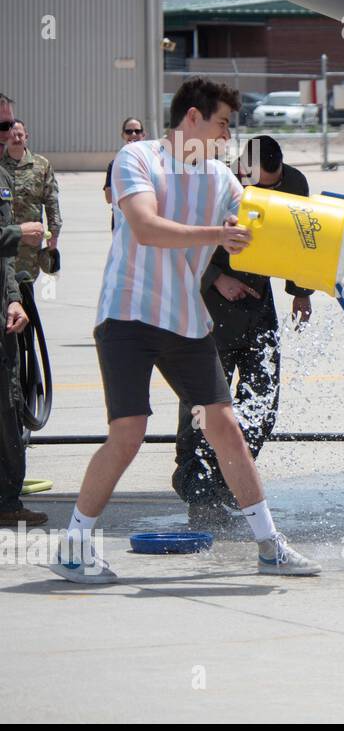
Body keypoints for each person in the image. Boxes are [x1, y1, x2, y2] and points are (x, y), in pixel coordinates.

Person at [50, 76, 320, 582]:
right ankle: (75, 543)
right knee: (128, 434)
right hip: (127, 316)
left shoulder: (220, 177)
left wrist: (336, 255)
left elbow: (271, 229)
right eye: (222, 124)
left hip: (186, 322)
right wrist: (219, 233)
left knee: (226, 430)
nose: (227, 137)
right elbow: (147, 228)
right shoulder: (138, 159)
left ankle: (270, 547)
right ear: (192, 118)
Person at [173, 135, 318, 527]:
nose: (269, 192)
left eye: (274, 184)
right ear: (243, 169)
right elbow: (182, 245)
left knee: (263, 399)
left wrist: (301, 292)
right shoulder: (214, 187)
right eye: (261, 185)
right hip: (211, 302)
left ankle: (228, 480)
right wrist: (218, 279)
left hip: (258, 301)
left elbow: (302, 243)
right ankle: (199, 490)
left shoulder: (293, 184)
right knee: (206, 403)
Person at [0, 93, 42, 528]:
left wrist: (14, 297)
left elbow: (4, 260)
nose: (8, 133)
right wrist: (17, 232)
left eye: (10, 125)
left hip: (4, 317)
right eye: (2, 126)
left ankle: (7, 501)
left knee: (10, 406)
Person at [2, 119, 61, 286]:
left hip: (30, 242)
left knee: (25, 285)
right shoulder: (1, 166)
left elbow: (51, 199)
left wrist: (54, 231)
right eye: (13, 134)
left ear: (26, 136)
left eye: (20, 134)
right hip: (5, 238)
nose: (17, 138)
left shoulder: (41, 165)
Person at [105, 117, 146, 229]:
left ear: (143, 135)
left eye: (137, 131)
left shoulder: (151, 162)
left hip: (146, 221)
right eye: (129, 131)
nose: (133, 134)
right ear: (123, 135)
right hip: (121, 222)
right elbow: (109, 197)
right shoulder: (115, 164)